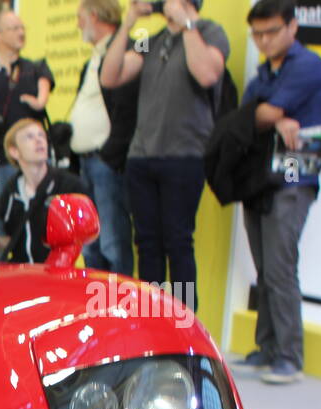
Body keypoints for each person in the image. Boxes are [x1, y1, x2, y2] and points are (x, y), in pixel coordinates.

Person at [101, 0, 229, 312]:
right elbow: (110, 76)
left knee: (178, 242)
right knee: (147, 244)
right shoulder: (152, 39)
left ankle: (184, 321)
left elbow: (207, 74)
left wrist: (186, 23)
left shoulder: (210, 32)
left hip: (184, 156)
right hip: (141, 157)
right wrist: (129, 22)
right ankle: (152, 317)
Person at [233, 0, 321, 385]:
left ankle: (290, 355)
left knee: (280, 266)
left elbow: (258, 113)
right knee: (265, 268)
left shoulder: (307, 65)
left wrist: (269, 113)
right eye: (257, 34)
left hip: (293, 179)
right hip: (260, 179)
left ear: (292, 27)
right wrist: (266, 113)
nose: (263, 40)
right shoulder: (262, 73)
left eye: (271, 31)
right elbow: (247, 115)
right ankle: (267, 348)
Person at [68, 0, 138, 276]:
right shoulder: (92, 60)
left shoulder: (127, 49)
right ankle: (97, 310)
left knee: (113, 244)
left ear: (94, 16)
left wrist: (111, 156)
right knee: (90, 245)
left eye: (80, 18)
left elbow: (128, 111)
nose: (77, 25)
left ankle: (118, 311)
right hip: (86, 163)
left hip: (107, 163)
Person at [0, 8, 54, 201]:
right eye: (14, 29)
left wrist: (39, 102)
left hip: (26, 158)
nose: (21, 33)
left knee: (28, 206)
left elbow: (43, 94)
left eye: (22, 28)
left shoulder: (35, 69)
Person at [0, 119, 89, 264]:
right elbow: (11, 243)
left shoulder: (70, 186)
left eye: (41, 135)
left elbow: (88, 241)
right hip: (23, 276)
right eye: (30, 137)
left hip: (59, 276)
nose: (38, 140)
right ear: (14, 151)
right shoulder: (11, 191)